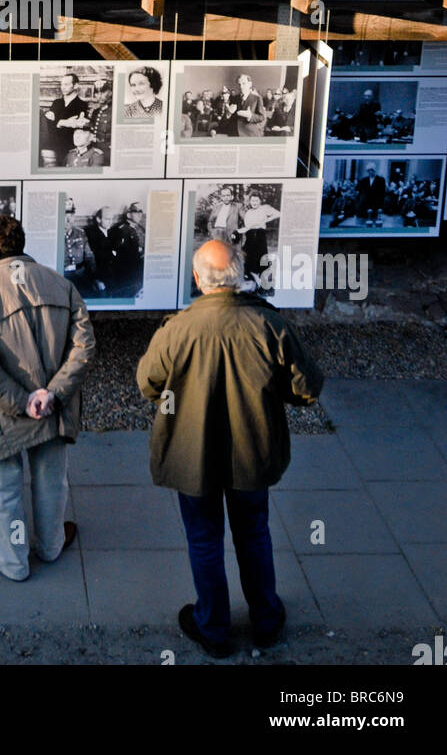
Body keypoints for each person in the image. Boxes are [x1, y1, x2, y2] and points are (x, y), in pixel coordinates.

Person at [136, 239, 323, 658]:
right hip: (252, 453)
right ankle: (266, 621)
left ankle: (214, 629)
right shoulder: (269, 325)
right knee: (254, 533)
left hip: (193, 452)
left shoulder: (178, 329)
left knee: (204, 538)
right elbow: (308, 388)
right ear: (240, 277)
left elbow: (148, 384)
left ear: (198, 279)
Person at [0, 214, 95, 582]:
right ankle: (50, 546)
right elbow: (83, 348)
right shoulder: (59, 283)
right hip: (53, 406)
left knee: (4, 488)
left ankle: (13, 562)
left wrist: (22, 401)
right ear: (22, 242)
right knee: (51, 480)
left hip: (1, 410)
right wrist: (51, 394)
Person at [42, 72, 88, 164]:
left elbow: (77, 129)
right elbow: (48, 126)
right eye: (61, 84)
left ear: (75, 86)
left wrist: (57, 122)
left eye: (66, 84)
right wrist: (63, 122)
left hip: (70, 150)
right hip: (53, 148)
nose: (62, 87)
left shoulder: (82, 105)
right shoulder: (56, 103)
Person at [237, 190, 280, 289]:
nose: (254, 203)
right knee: (248, 261)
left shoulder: (264, 209)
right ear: (250, 201)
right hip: (249, 238)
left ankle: (265, 286)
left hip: (260, 237)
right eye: (252, 201)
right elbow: (248, 227)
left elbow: (278, 213)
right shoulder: (248, 212)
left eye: (256, 201)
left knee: (262, 261)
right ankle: (252, 284)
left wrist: (265, 220)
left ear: (260, 201)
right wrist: (238, 231)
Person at [108, 201, 145, 295]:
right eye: (136, 212)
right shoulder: (121, 229)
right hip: (128, 270)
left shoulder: (140, 228)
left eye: (141, 212)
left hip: (141, 265)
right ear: (128, 214)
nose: (140, 214)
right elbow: (116, 252)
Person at [234, 73, 266, 137]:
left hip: (249, 132)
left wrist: (250, 116)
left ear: (250, 84)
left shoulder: (257, 98)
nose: (241, 87)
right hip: (235, 131)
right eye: (239, 84)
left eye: (244, 83)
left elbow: (262, 117)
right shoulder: (235, 98)